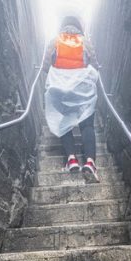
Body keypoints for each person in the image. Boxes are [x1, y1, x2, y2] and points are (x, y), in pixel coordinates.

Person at [41, 15, 101, 181]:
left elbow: (46, 65)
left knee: (65, 122)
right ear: (78, 26)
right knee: (87, 124)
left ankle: (72, 159)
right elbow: (95, 65)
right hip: (82, 86)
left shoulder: (55, 40)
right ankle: (89, 162)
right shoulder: (85, 41)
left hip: (60, 86)